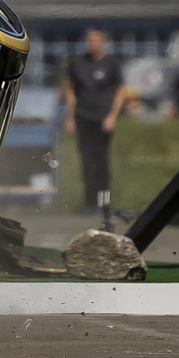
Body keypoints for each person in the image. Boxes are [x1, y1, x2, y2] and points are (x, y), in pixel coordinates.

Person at [62, 27, 129, 226]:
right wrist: (70, 117)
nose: (92, 44)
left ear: (102, 42)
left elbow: (120, 92)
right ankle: (90, 202)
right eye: (89, 40)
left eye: (96, 40)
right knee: (86, 159)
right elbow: (71, 91)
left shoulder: (111, 64)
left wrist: (112, 116)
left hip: (103, 118)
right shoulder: (78, 63)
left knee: (101, 161)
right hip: (84, 117)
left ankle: (104, 202)